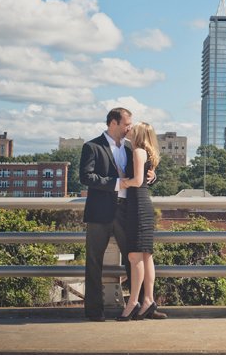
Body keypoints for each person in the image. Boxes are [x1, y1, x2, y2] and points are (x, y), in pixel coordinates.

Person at [80, 108, 163, 321]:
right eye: (127, 124)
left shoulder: (130, 148)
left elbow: (141, 175)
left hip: (128, 211)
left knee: (134, 257)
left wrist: (152, 177)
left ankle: (144, 306)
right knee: (94, 262)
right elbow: (86, 177)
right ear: (113, 123)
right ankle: (94, 312)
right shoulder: (92, 146)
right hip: (100, 212)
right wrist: (117, 183)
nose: (129, 128)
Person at [116, 122, 163, 320]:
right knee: (145, 256)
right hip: (143, 205)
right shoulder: (146, 152)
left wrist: (118, 183)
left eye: (132, 128)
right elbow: (144, 178)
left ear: (139, 134)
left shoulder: (137, 152)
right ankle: (148, 300)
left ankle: (134, 302)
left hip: (137, 206)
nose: (129, 130)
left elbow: (136, 181)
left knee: (135, 257)